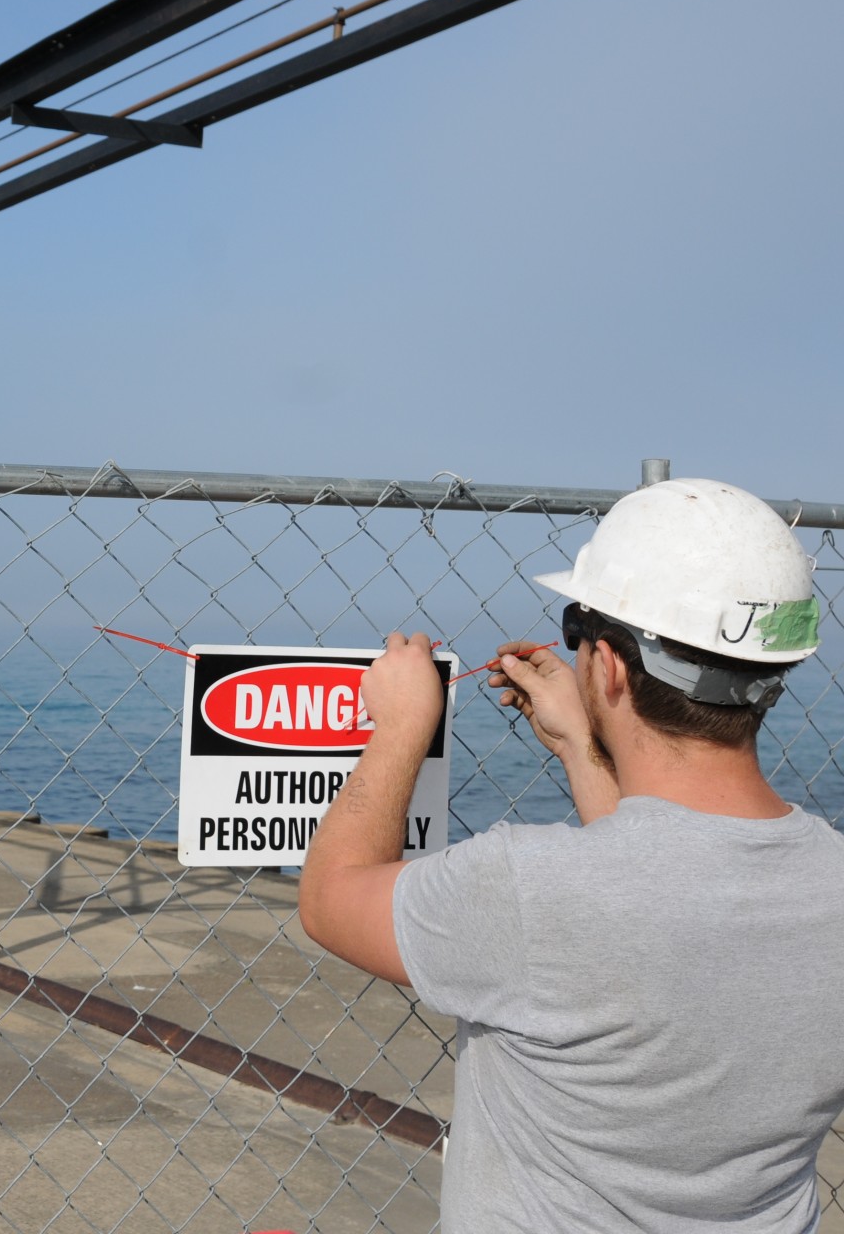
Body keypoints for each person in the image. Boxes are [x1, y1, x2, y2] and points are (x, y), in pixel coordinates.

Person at [298, 477, 844, 1231]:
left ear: (610, 667)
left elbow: (332, 897)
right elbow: (659, 888)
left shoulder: (527, 888)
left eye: (576, 626)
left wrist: (400, 728)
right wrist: (583, 750)